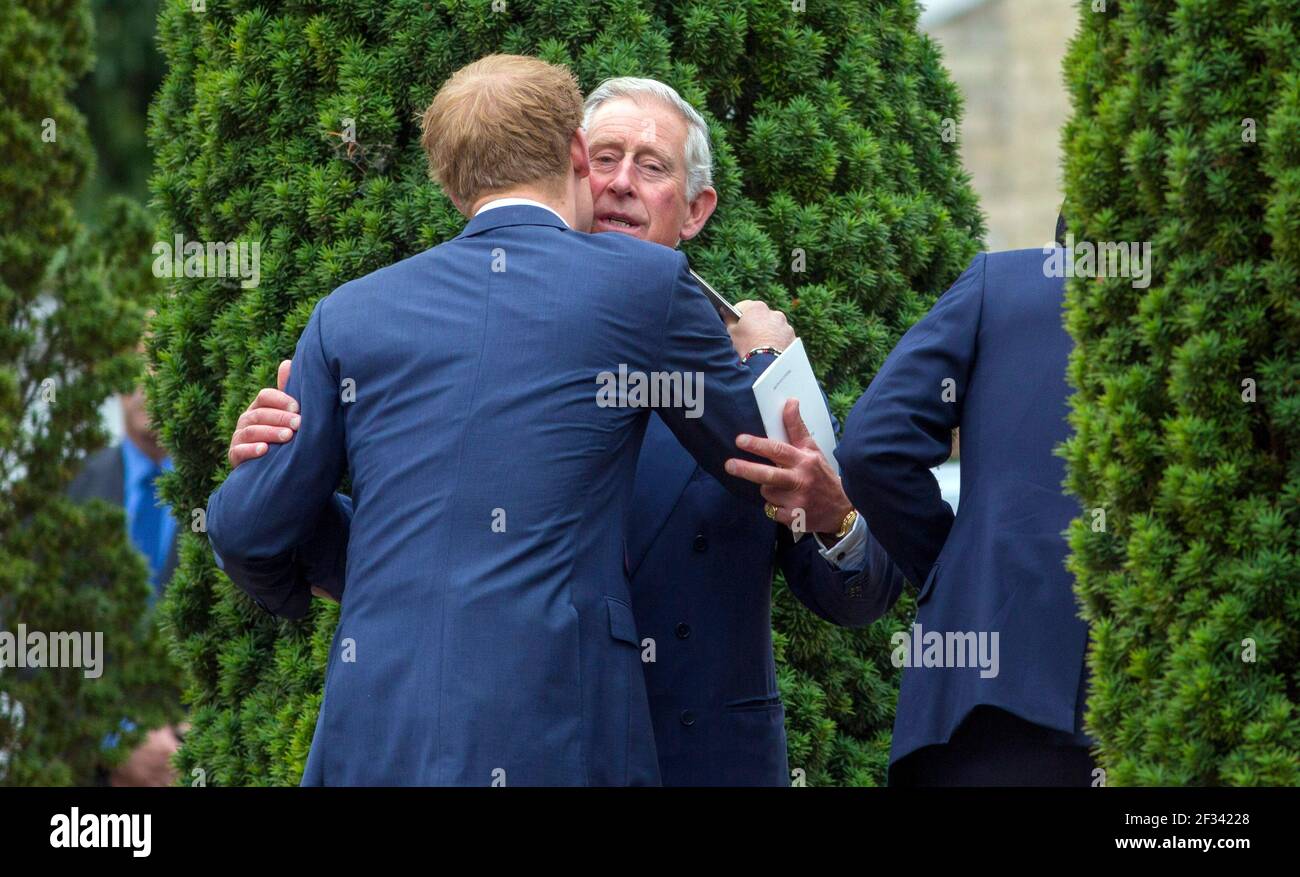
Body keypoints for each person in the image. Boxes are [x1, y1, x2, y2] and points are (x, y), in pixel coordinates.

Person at [228, 77, 901, 785]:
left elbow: (858, 590)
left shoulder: (748, 374)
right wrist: (277, 460)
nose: (618, 183)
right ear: (571, 162)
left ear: (697, 208)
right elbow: (412, 541)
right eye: (605, 158)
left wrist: (838, 518)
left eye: (651, 166)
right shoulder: (455, 340)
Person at [833, 240, 1095, 786]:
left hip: (987, 702)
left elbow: (871, 447)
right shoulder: (1245, 306)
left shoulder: (1004, 283)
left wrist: (961, 572)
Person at [67, 383, 182, 787]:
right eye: (135, 369)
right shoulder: (66, 491)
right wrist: (110, 740)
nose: (147, 388)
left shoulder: (227, 490)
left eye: (158, 367)